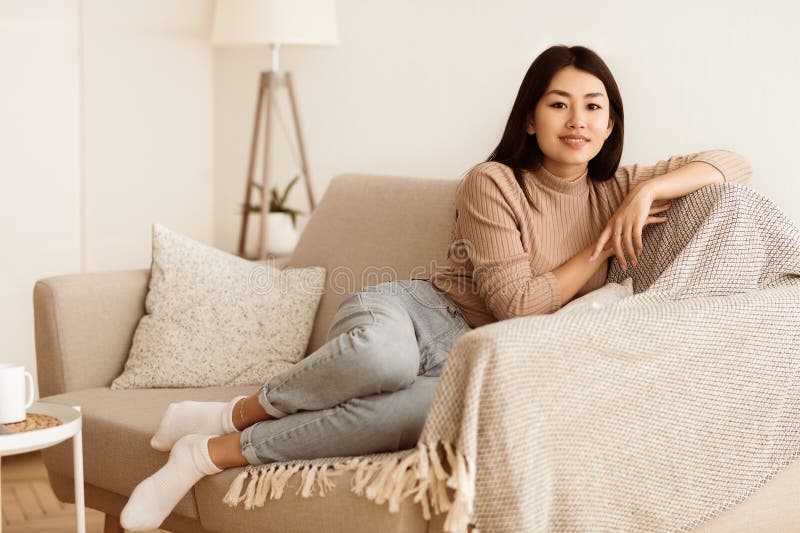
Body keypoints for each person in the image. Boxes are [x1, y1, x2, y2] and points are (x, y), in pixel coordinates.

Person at [120, 44, 751, 530]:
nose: (577, 119)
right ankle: (238, 409)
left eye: (594, 106)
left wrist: (647, 191)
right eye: (559, 103)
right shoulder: (494, 182)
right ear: (530, 118)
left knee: (418, 411)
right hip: (421, 312)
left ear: (611, 124)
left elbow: (734, 164)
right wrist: (601, 247)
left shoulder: (619, 188)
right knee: (379, 359)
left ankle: (208, 453)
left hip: (481, 363)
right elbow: (519, 303)